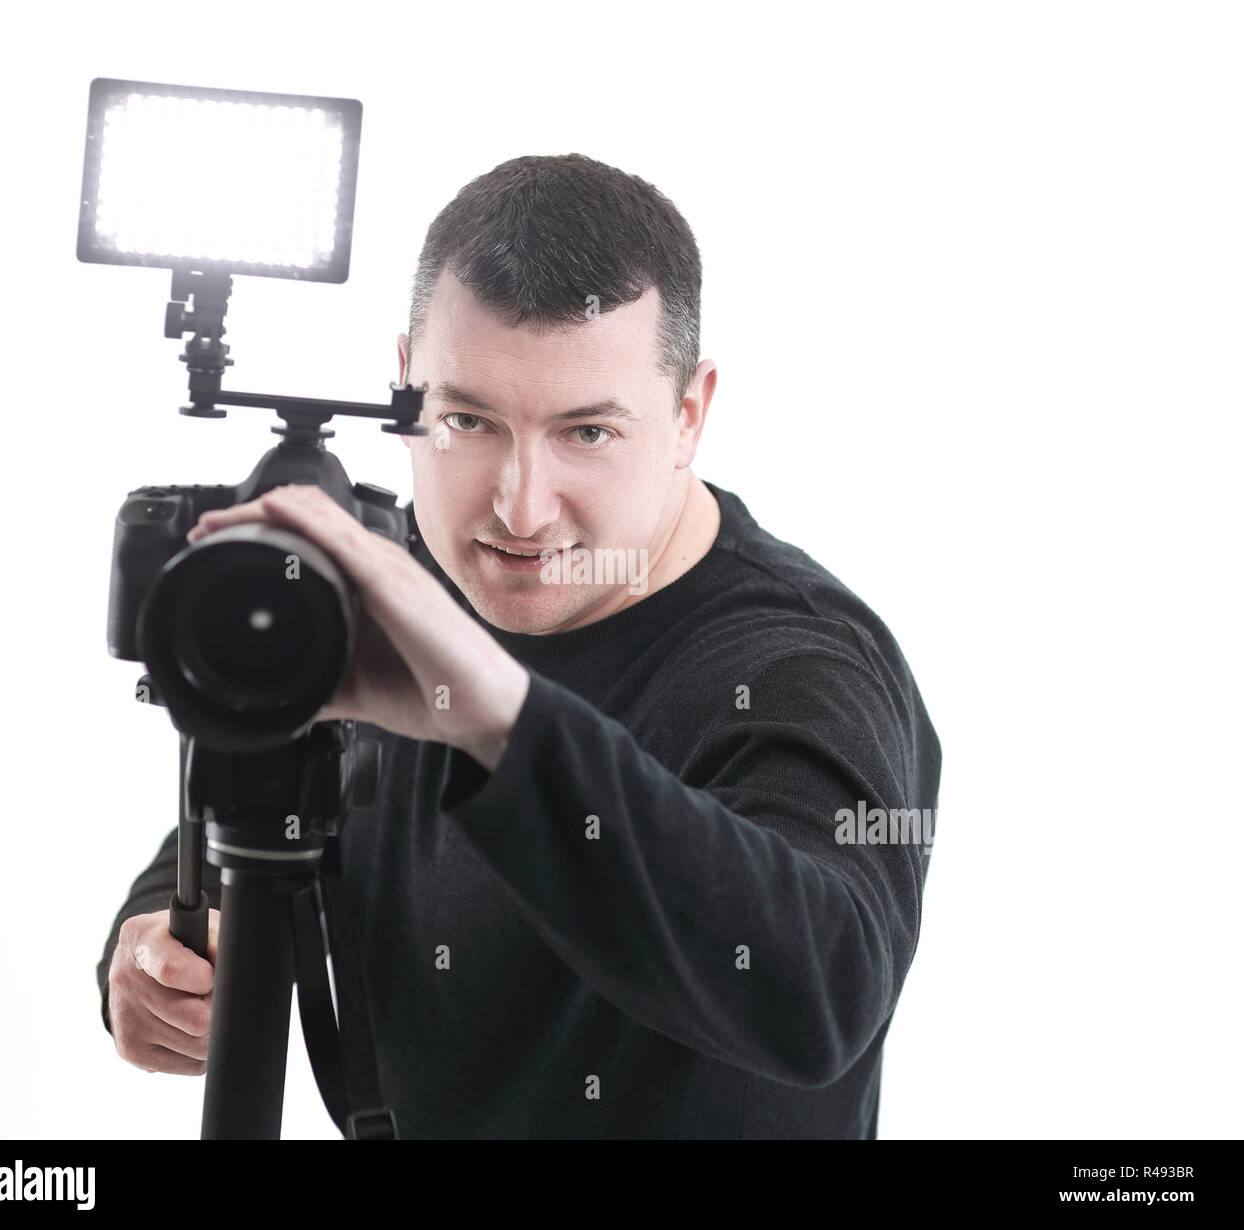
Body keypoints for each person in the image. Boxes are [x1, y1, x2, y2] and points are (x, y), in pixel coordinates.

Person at [97, 153, 942, 1139]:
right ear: (405, 382)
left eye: (586, 433)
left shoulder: (800, 669)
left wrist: (498, 717)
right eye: (468, 420)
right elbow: (270, 782)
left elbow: (820, 989)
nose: (519, 509)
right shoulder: (398, 580)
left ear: (689, 415)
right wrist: (158, 935)